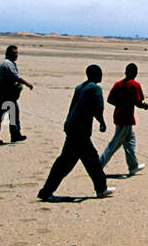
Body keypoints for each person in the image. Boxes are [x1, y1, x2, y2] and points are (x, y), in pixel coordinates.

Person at [37, 65, 115, 201]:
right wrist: (102, 122)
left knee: (88, 160)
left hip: (72, 126)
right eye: (99, 73)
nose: (101, 76)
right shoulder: (95, 88)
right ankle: (47, 191)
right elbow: (98, 108)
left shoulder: (80, 87)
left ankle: (101, 188)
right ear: (95, 75)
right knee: (69, 162)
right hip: (80, 130)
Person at [100, 63, 148, 174]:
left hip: (118, 115)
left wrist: (120, 104)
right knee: (115, 144)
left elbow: (110, 100)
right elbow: (138, 103)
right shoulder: (134, 85)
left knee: (130, 141)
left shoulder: (118, 84)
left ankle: (133, 166)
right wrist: (144, 106)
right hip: (126, 118)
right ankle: (98, 166)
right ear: (135, 73)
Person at [0, 44, 33, 145]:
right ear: (8, 54)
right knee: (0, 115)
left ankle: (15, 135)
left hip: (10, 95)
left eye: (17, 53)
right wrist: (27, 83)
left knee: (13, 114)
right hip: (5, 94)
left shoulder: (11, 63)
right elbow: (16, 77)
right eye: (14, 53)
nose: (16, 55)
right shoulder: (7, 64)